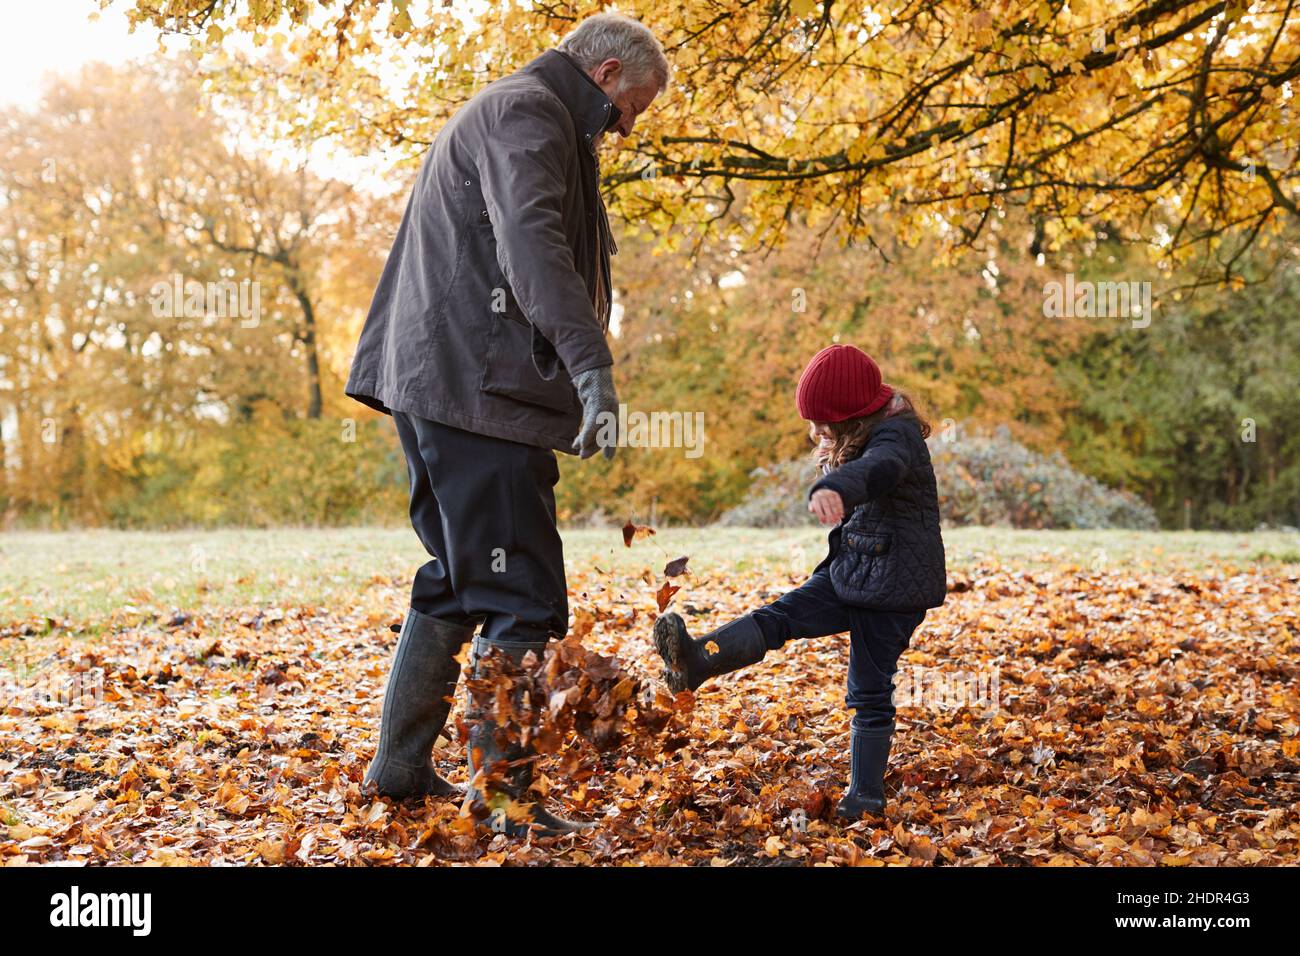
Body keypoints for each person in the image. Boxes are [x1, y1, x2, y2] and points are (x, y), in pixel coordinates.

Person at [344, 12, 670, 836]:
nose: (629, 128)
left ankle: (401, 765)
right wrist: (591, 367)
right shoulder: (528, 113)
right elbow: (534, 245)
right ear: (603, 75)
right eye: (631, 107)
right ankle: (506, 801)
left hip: (443, 386)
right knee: (524, 598)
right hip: (477, 395)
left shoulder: (520, 111)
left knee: (460, 578)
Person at [652, 344, 947, 820]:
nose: (814, 433)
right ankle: (696, 660)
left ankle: (866, 796)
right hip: (854, 572)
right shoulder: (870, 433)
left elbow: (879, 471)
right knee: (780, 616)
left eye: (820, 424)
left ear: (850, 417)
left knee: (869, 689)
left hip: (894, 590)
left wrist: (835, 487)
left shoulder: (898, 437)